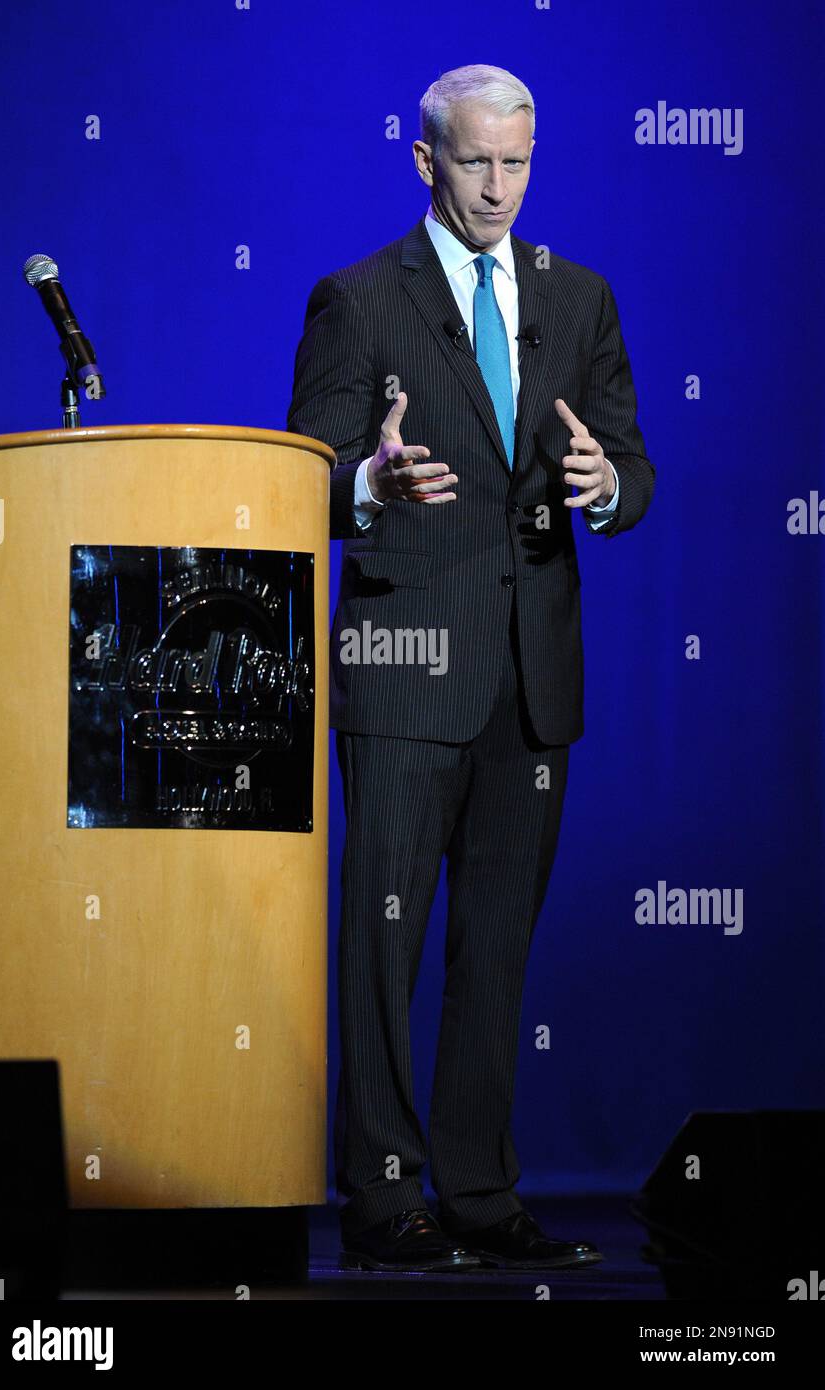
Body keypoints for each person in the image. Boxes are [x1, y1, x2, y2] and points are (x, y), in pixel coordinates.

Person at [288, 63, 654, 1273]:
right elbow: (309, 481)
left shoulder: (579, 297)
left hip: (530, 676)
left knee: (494, 948)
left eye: (516, 163)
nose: (496, 187)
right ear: (423, 161)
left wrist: (607, 492)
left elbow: (632, 468)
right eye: (473, 162)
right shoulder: (355, 300)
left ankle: (482, 1194)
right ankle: (384, 1195)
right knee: (384, 943)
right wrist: (367, 482)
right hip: (403, 667)